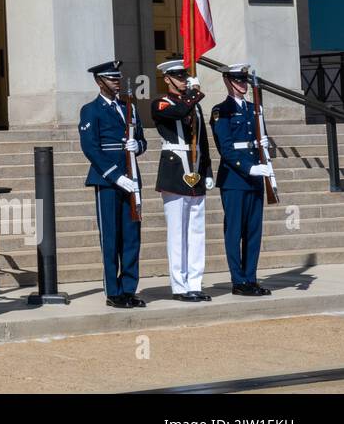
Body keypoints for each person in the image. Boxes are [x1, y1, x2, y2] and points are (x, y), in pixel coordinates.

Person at [78, 60, 148, 309]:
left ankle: (129, 288)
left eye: (118, 78)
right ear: (99, 81)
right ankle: (113, 291)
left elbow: (141, 139)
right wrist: (116, 176)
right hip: (108, 181)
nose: (116, 82)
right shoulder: (91, 110)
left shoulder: (128, 107)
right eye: (111, 79)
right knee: (111, 237)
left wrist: (137, 146)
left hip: (132, 178)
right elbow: (91, 148)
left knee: (131, 237)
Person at [210, 63, 274, 297]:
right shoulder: (221, 111)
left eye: (245, 80)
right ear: (228, 82)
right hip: (235, 179)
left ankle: (251, 278)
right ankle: (238, 280)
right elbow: (226, 149)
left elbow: (259, 138)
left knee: (254, 231)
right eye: (238, 81)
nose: (243, 85)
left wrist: (266, 148)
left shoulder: (254, 108)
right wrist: (250, 168)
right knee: (235, 230)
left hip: (256, 177)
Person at [152, 58, 213, 302]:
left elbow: (204, 140)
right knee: (177, 232)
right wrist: (194, 95)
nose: (183, 80)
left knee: (196, 231)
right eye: (178, 77)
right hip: (175, 170)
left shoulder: (193, 105)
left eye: (185, 76)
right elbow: (177, 112)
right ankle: (179, 285)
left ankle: (195, 282)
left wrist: (207, 172)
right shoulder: (161, 103)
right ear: (167, 79)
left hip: (195, 168)